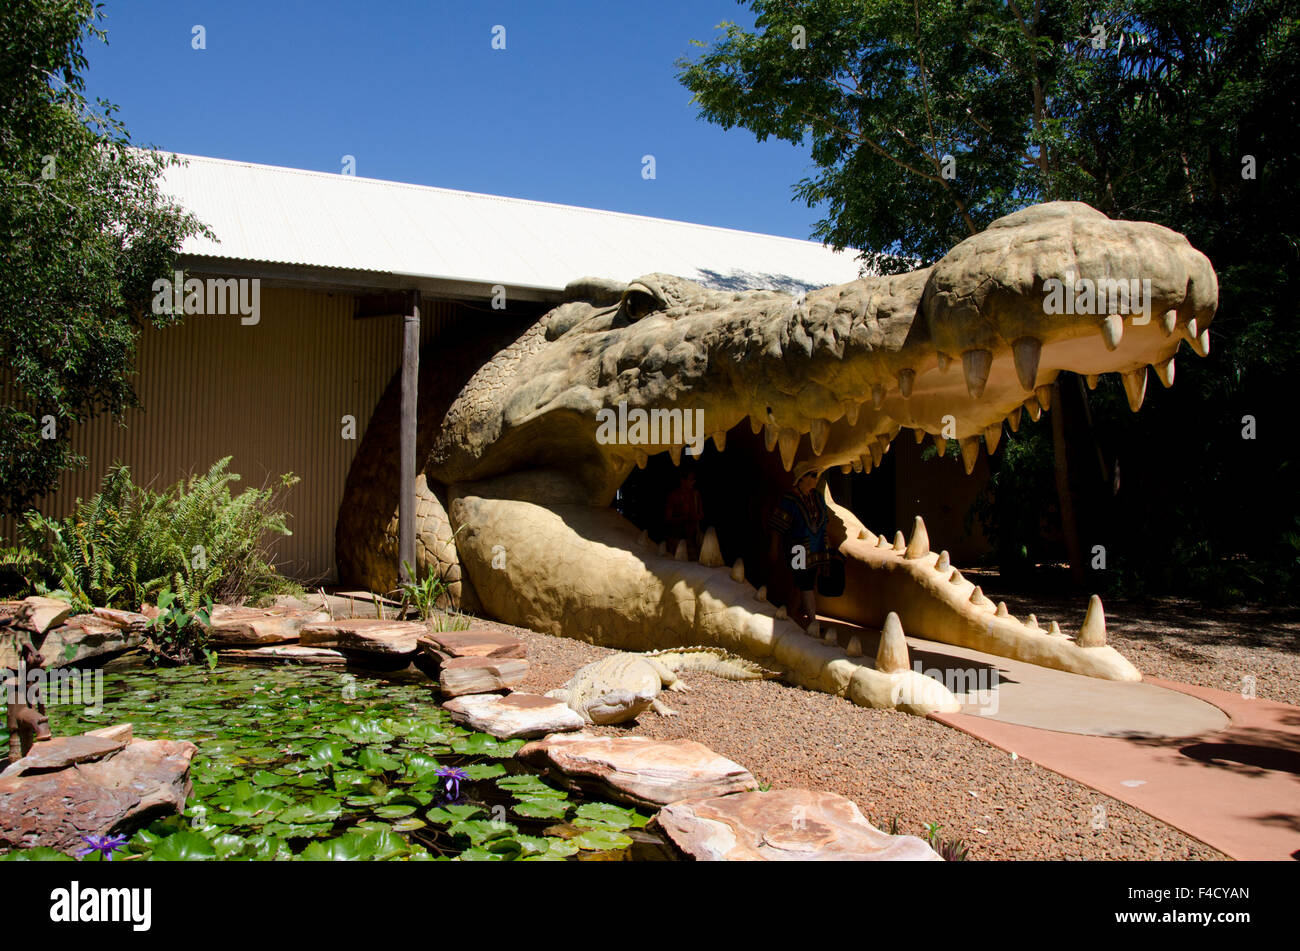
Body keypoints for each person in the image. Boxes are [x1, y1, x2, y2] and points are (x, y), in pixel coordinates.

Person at [766, 462, 842, 629]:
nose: (816, 479)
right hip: (798, 550)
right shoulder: (790, 500)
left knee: (801, 584)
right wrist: (774, 547)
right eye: (813, 475)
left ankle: (792, 616)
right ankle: (813, 622)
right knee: (804, 582)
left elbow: (824, 524)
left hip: (817, 550)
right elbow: (778, 526)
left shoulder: (817, 497)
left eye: (816, 475)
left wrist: (828, 546)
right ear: (802, 478)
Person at [664, 470, 704, 556]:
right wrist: (684, 518)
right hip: (676, 537)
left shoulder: (696, 494)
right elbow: (668, 517)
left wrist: (695, 518)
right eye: (690, 480)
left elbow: (701, 514)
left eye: (694, 480)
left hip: (692, 537)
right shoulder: (674, 496)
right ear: (683, 480)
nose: (693, 482)